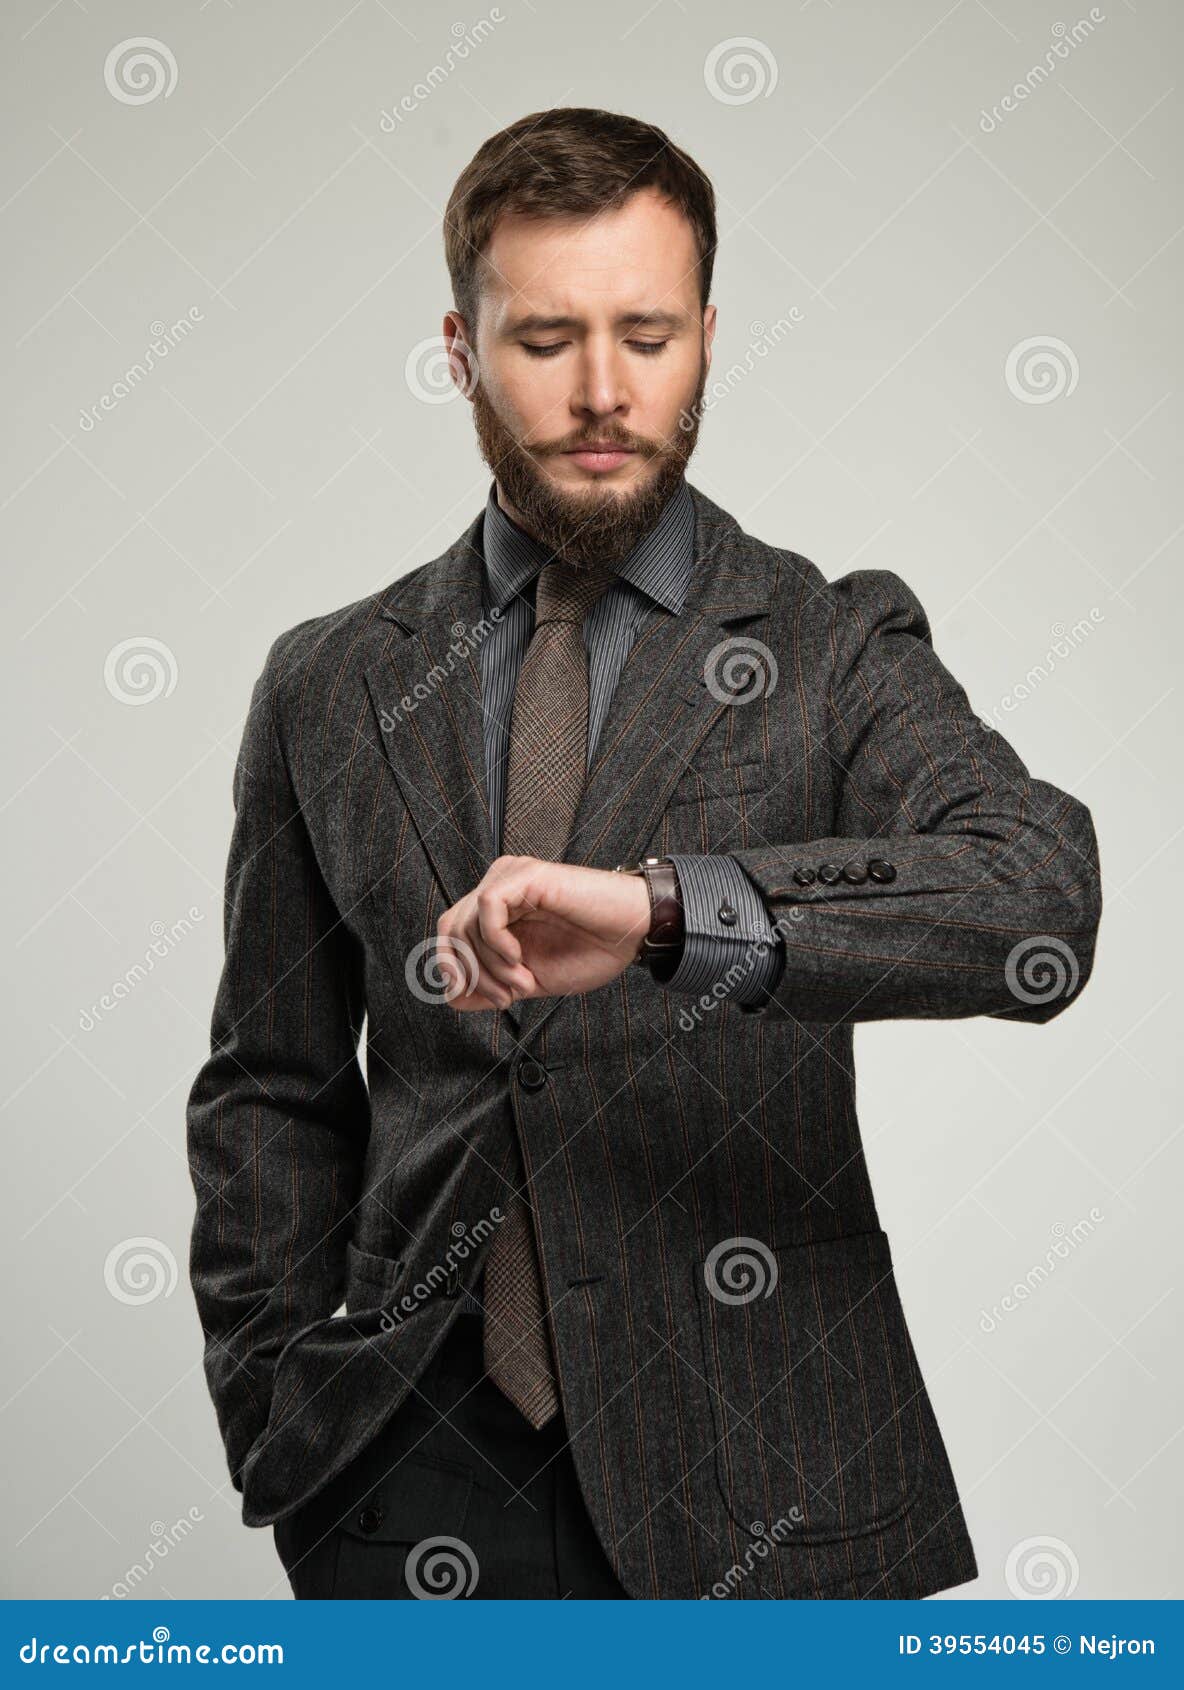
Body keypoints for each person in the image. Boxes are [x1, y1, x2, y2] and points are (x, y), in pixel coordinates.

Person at [186, 107, 1102, 1600]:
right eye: (545, 339)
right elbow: (271, 1082)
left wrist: (671, 912)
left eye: (649, 334)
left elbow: (1035, 896)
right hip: (409, 1473)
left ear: (711, 337)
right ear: (460, 346)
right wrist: (284, 1414)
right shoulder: (329, 681)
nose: (604, 392)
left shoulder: (828, 641)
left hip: (775, 1476)